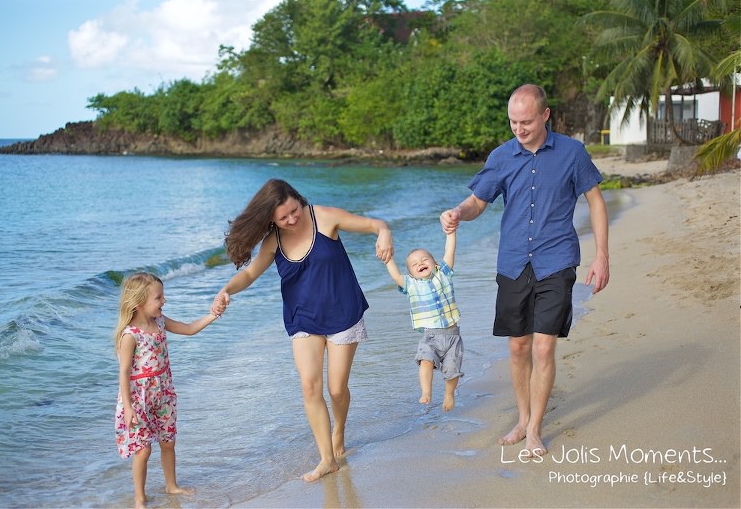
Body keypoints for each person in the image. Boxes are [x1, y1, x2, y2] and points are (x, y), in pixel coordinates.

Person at [440, 84, 609, 457]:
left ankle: (534, 429)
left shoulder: (572, 152)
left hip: (557, 260)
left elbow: (596, 202)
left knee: (544, 348)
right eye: (514, 122)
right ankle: (521, 419)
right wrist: (457, 214)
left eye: (527, 121)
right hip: (514, 261)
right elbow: (477, 202)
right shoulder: (501, 156)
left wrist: (602, 256)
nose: (519, 128)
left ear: (546, 115)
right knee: (518, 348)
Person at [210, 179, 393, 482]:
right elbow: (250, 274)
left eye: (294, 211)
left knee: (336, 389)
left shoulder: (324, 217)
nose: (292, 220)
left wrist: (384, 232)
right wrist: (226, 290)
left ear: (298, 199)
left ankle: (339, 429)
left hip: (342, 312)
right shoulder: (274, 242)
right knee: (310, 387)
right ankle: (327, 459)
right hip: (303, 319)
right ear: (271, 219)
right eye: (283, 218)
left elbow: (374, 224)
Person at [114, 272, 220, 509]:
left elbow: (190, 329)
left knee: (168, 442)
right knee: (143, 450)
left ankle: (171, 485)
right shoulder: (130, 336)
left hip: (163, 394)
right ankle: (139, 498)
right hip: (138, 399)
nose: (164, 301)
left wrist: (213, 315)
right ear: (140, 303)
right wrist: (129, 409)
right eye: (158, 297)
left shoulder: (160, 322)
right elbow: (123, 373)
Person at [383, 229, 463, 411]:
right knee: (425, 361)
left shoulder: (443, 275)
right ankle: (426, 392)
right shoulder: (411, 284)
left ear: (436, 264)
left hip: (453, 336)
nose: (420, 263)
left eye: (425, 260)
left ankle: (449, 394)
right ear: (411, 273)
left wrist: (451, 234)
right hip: (430, 336)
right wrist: (388, 258)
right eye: (414, 264)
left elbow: (449, 251)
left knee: (452, 372)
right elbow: (396, 275)